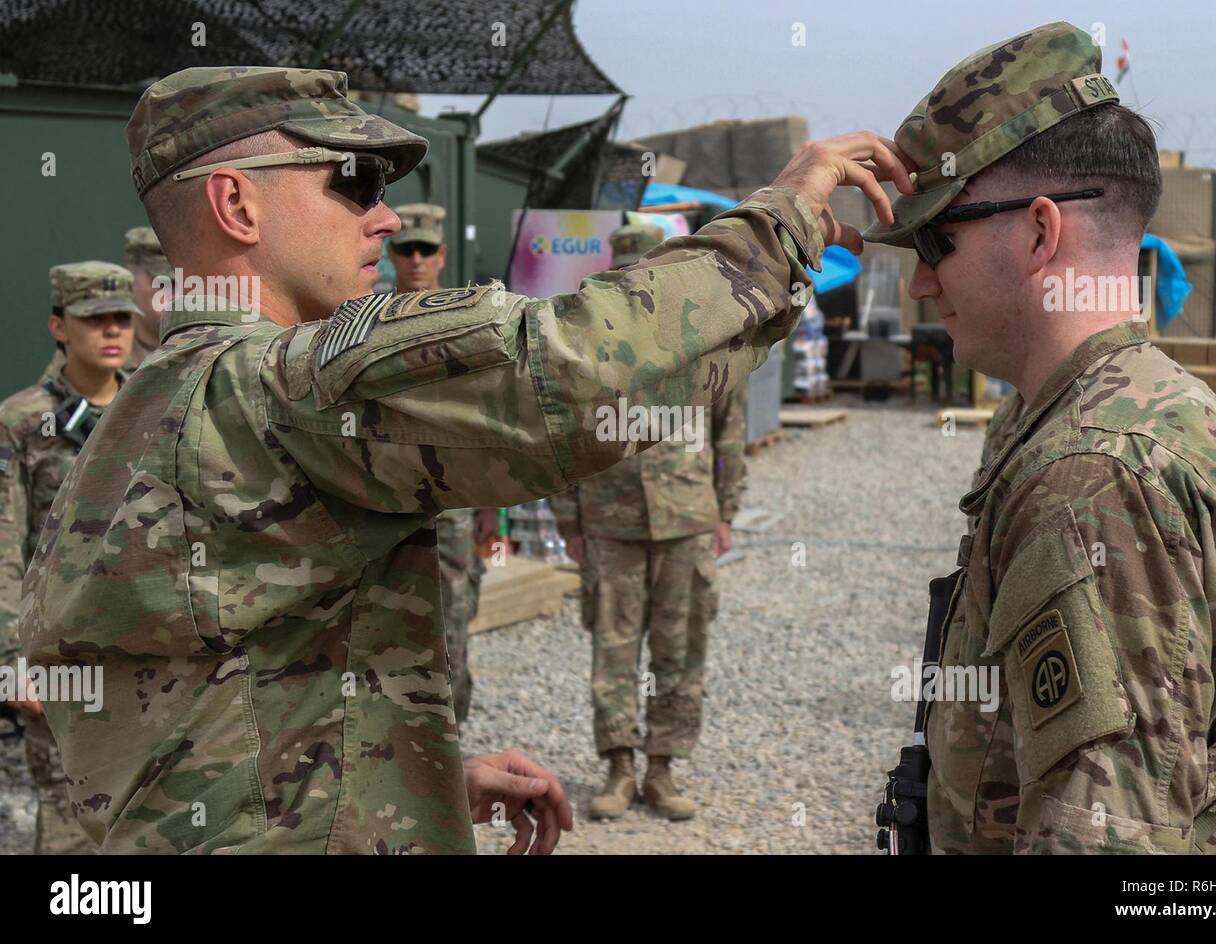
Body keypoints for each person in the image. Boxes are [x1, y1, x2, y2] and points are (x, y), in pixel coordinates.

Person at [19, 65, 911, 854]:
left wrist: (406, 787)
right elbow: (563, 367)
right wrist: (782, 213)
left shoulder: (161, 401)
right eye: (353, 179)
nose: (383, 216)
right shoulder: (275, 387)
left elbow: (213, 703)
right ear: (236, 204)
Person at [866, 21, 1216, 854]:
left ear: (1038, 231)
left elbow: (1110, 842)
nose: (918, 282)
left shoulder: (1092, 472)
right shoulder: (1158, 407)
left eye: (934, 241)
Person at [551, 222, 747, 822]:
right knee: (612, 652)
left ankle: (662, 767)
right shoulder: (584, 355)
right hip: (610, 523)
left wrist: (725, 509)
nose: (638, 289)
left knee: (681, 649)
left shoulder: (705, 346)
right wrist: (571, 521)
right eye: (628, 277)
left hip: (687, 517)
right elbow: (566, 444)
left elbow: (729, 435)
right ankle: (618, 766)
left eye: (647, 276)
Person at [0, 261, 136, 854]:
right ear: (60, 326)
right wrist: (13, 657)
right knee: (69, 830)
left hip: (144, 652)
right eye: (93, 320)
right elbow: (5, 545)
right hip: (59, 654)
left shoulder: (153, 407)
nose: (111, 332)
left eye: (121, 319)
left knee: (148, 821)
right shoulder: (23, 422)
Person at [389, 201, 491, 723]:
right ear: (391, 253)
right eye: (405, 249)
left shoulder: (468, 323)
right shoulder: (365, 323)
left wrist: (493, 513)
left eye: (425, 250)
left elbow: (488, 420)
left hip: (452, 507)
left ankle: (451, 752)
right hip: (386, 507)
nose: (415, 260)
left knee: (452, 625)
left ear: (442, 254)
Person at [123, 225, 172, 369]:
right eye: (161, 282)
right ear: (130, 280)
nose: (174, 293)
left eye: (183, 282)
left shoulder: (208, 350)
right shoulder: (106, 354)